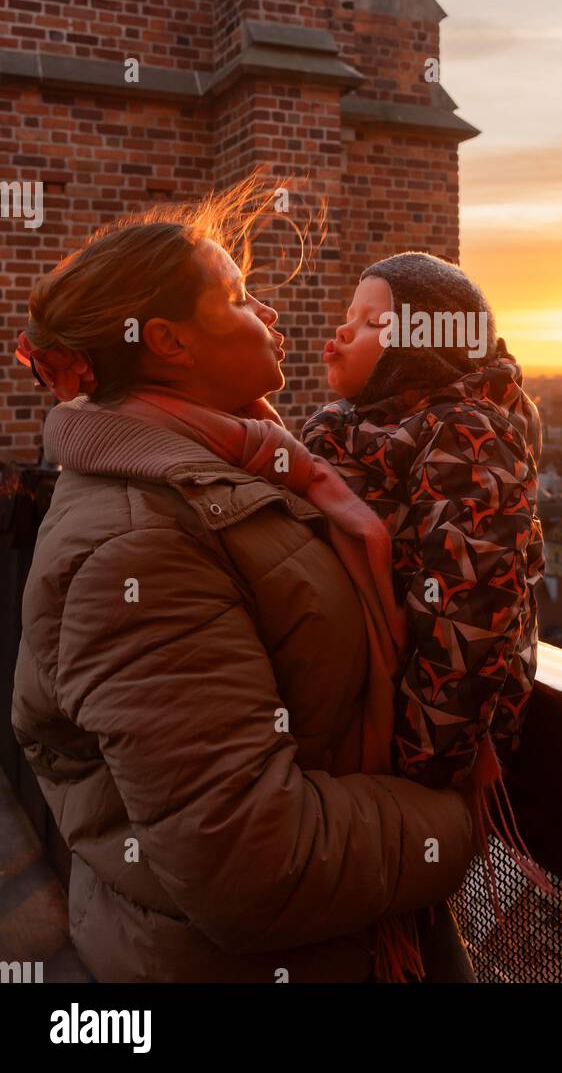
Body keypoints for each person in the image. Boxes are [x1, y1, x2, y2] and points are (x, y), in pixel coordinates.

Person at [10, 174, 477, 983]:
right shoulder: (136, 544)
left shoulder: (238, 466)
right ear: (169, 343)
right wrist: (462, 821)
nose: (265, 313)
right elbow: (253, 864)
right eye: (236, 297)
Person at [301, 251, 550, 920]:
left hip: (420, 759)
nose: (343, 332)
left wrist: (420, 769)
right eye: (346, 317)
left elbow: (469, 615)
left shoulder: (466, 436)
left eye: (371, 322)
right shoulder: (359, 431)